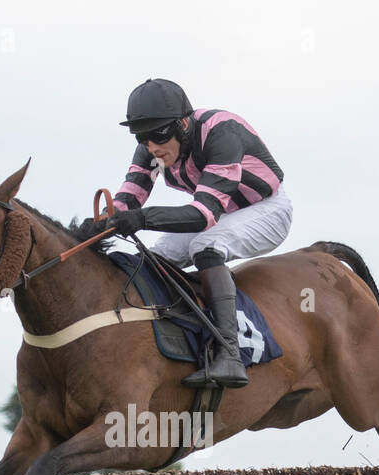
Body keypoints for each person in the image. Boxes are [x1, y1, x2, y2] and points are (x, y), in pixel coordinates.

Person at [102, 78, 291, 389]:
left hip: (268, 209)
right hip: (224, 211)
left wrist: (140, 219)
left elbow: (203, 215)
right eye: (142, 137)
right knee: (153, 258)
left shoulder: (222, 133)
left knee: (205, 246)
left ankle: (230, 353)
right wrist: (100, 223)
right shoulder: (151, 147)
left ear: (184, 124)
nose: (152, 146)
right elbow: (129, 198)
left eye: (158, 135)